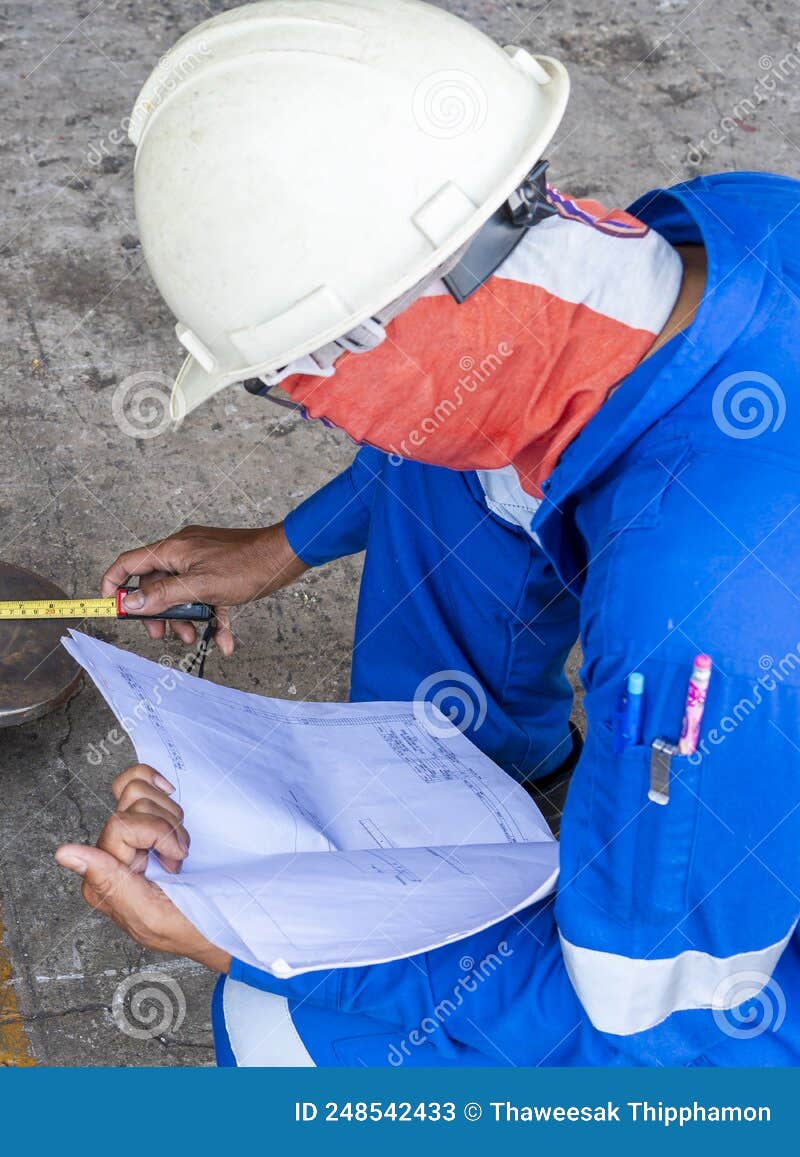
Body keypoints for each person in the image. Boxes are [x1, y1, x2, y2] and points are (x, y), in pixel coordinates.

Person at [54, 0, 800, 1066]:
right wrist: (284, 543)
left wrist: (259, 943)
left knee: (282, 1040)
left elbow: (653, 1039)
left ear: (381, 322)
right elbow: (475, 412)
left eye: (281, 382)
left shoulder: (695, 624)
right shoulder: (735, 230)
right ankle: (461, 812)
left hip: (721, 1006)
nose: (306, 409)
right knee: (450, 445)